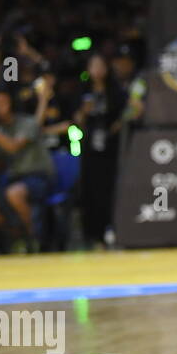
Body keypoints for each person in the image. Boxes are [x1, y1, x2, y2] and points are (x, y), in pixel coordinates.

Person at [0, 86, 54, 251]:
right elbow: (0, 162)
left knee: (14, 194)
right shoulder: (0, 129)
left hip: (38, 177)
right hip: (12, 180)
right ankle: (18, 232)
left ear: (12, 103)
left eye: (2, 102)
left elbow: (13, 146)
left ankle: (34, 240)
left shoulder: (27, 123)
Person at [74, 53, 127, 247]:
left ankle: (113, 229)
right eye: (93, 65)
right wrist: (84, 112)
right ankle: (93, 234)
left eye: (100, 65)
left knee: (111, 188)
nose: (97, 69)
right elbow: (76, 121)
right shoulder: (83, 91)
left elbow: (126, 114)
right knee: (90, 189)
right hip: (89, 147)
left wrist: (115, 128)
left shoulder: (116, 91)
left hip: (111, 146)